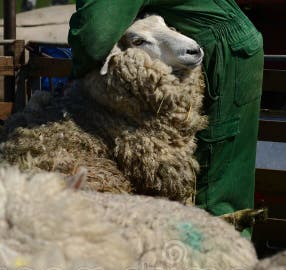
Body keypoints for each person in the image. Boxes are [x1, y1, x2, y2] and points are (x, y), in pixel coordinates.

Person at [68, 0, 263, 234]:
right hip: (214, 42)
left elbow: (94, 36)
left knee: (213, 183)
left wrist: (77, 84)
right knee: (223, 170)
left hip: (216, 52)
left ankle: (214, 261)